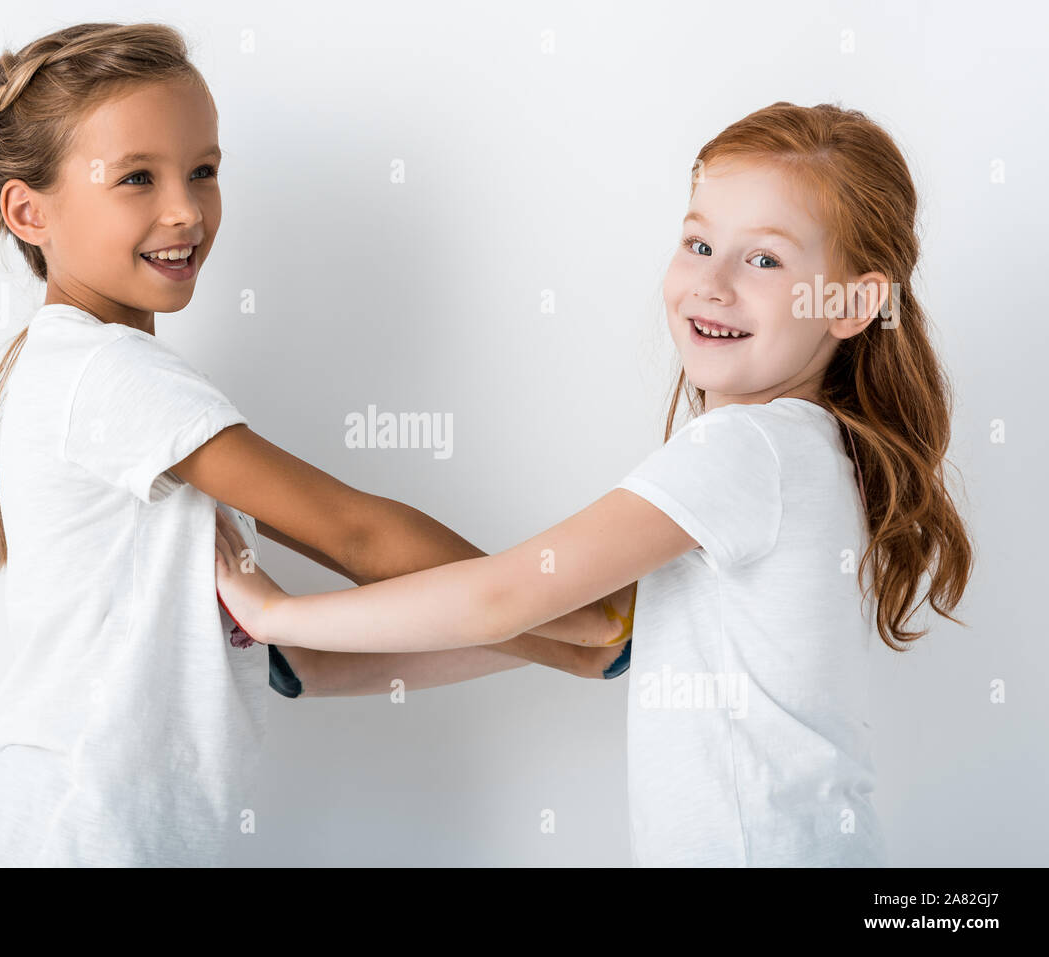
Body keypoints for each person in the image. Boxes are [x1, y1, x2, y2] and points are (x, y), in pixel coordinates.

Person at [0, 21, 630, 869]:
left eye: (204, 171)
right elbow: (354, 534)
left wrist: (571, 650)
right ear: (27, 211)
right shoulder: (112, 378)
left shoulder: (103, 382)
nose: (185, 209)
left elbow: (289, 658)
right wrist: (580, 615)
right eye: (137, 179)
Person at [215, 101, 976, 867]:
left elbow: (504, 597)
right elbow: (597, 630)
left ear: (850, 303)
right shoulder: (799, 452)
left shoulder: (747, 448)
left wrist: (278, 612)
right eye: (700, 242)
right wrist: (314, 667)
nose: (711, 282)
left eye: (764, 260)